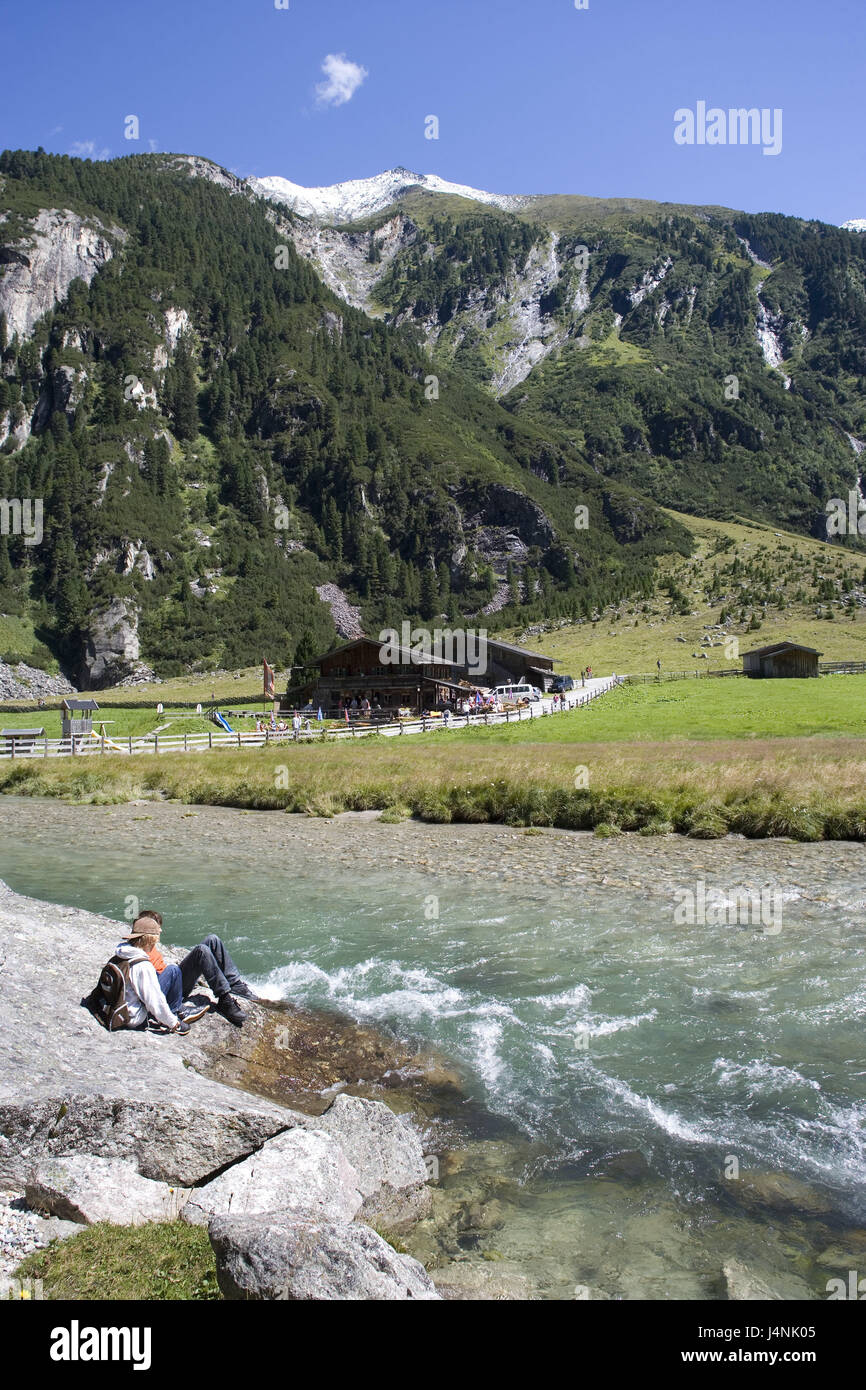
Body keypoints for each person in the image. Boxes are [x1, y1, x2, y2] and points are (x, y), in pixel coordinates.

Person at [136, 910, 254, 1028]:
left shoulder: (148, 946)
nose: (160, 931)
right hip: (168, 992)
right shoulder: (137, 955)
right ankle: (224, 999)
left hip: (174, 981)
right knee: (201, 951)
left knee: (212, 940)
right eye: (157, 928)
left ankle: (235, 984)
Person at [113, 920, 196, 1034]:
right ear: (150, 941)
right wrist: (172, 1022)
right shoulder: (142, 966)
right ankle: (173, 1015)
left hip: (119, 1007)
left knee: (168, 971)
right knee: (173, 970)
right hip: (133, 1017)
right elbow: (154, 1000)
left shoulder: (121, 954)